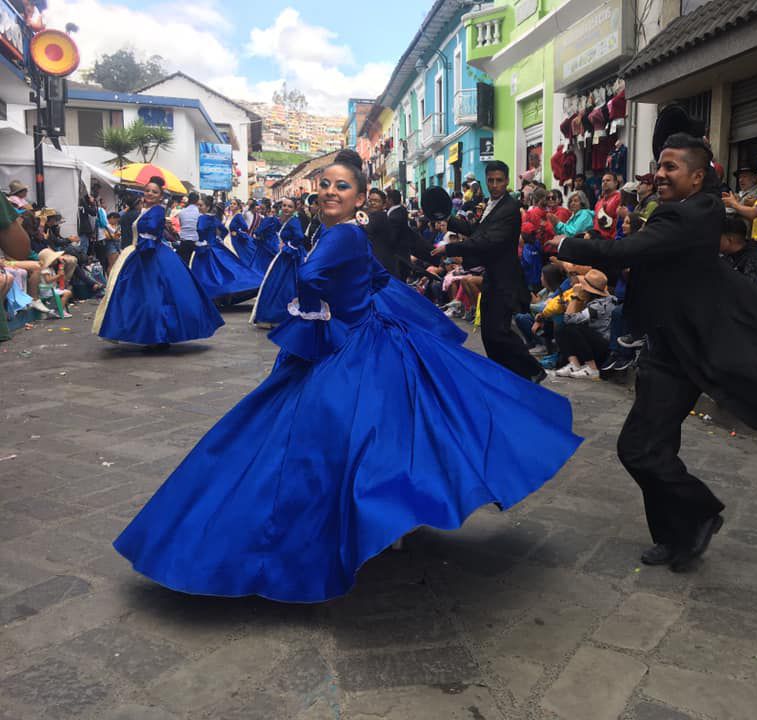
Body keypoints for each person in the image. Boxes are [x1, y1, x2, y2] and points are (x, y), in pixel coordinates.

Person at [112, 152, 581, 603]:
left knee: (320, 438)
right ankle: (389, 519)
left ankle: (337, 529)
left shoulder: (339, 236)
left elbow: (314, 276)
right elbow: (376, 279)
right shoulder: (345, 233)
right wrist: (409, 278)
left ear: (361, 197)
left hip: (354, 345)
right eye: (326, 185)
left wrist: (322, 297)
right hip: (367, 335)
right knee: (386, 431)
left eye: (342, 186)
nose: (331, 191)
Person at [556, 124, 757, 571]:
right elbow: (650, 256)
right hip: (669, 344)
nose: (661, 174)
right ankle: (674, 537)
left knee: (637, 448)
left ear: (696, 177)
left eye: (671, 167)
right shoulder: (702, 209)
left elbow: (629, 249)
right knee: (657, 448)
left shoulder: (685, 215)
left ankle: (701, 510)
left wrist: (566, 242)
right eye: (658, 167)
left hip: (677, 354)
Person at [434, 161, 545, 383]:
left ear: (507, 181)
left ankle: (531, 370)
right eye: (491, 180)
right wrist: (451, 221)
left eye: (499, 180)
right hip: (491, 276)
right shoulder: (492, 204)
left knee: (498, 332)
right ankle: (502, 374)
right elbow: (478, 231)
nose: (494, 185)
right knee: (489, 332)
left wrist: (450, 248)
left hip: (505, 278)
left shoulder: (510, 207)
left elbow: (486, 240)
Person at [92, 176, 224, 348]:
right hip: (140, 253)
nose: (150, 193)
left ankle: (157, 335)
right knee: (146, 296)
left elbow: (151, 232)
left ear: (161, 196)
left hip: (150, 254)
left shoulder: (157, 211)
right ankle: (152, 334)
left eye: (154, 192)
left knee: (155, 296)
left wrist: (143, 246)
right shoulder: (146, 210)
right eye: (147, 190)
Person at [189, 195, 264, 306]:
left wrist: (204, 239)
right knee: (225, 271)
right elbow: (223, 230)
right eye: (198, 205)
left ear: (208, 206)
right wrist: (217, 239)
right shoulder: (214, 218)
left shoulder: (203, 218)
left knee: (207, 274)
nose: (199, 207)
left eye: (201, 205)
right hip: (216, 247)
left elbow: (201, 229)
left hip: (205, 249)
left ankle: (209, 297)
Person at [250, 197, 306, 327]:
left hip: (291, 258)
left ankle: (283, 316)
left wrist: (288, 246)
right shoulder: (287, 221)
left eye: (289, 206)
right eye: (284, 206)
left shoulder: (294, 221)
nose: (286, 208)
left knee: (287, 286)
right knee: (277, 285)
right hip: (285, 256)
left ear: (294, 209)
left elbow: (300, 237)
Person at [554, 269, 616, 380]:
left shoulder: (600, 305)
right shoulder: (595, 301)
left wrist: (575, 296)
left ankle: (592, 368)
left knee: (573, 327)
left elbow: (569, 319)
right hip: (592, 343)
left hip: (603, 346)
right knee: (560, 327)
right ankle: (574, 365)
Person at [719, 216, 757, 284]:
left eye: (718, 237)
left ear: (730, 239)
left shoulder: (754, 258)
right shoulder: (727, 253)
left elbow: (749, 287)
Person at [225, 199, 257, 268]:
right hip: (227, 239)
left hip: (233, 240)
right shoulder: (230, 216)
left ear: (238, 206)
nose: (232, 205)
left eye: (234, 204)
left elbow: (245, 227)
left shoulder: (238, 216)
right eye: (231, 203)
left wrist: (236, 232)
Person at [252, 204, 281, 274]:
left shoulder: (267, 219)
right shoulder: (276, 219)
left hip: (265, 241)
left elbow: (259, 231)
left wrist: (256, 233)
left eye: (262, 209)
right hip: (275, 241)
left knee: (261, 262)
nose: (260, 211)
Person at [176, 192, 201, 265]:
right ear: (197, 201)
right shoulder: (199, 213)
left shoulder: (182, 212)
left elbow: (181, 225)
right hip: (195, 241)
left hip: (184, 241)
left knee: (183, 264)